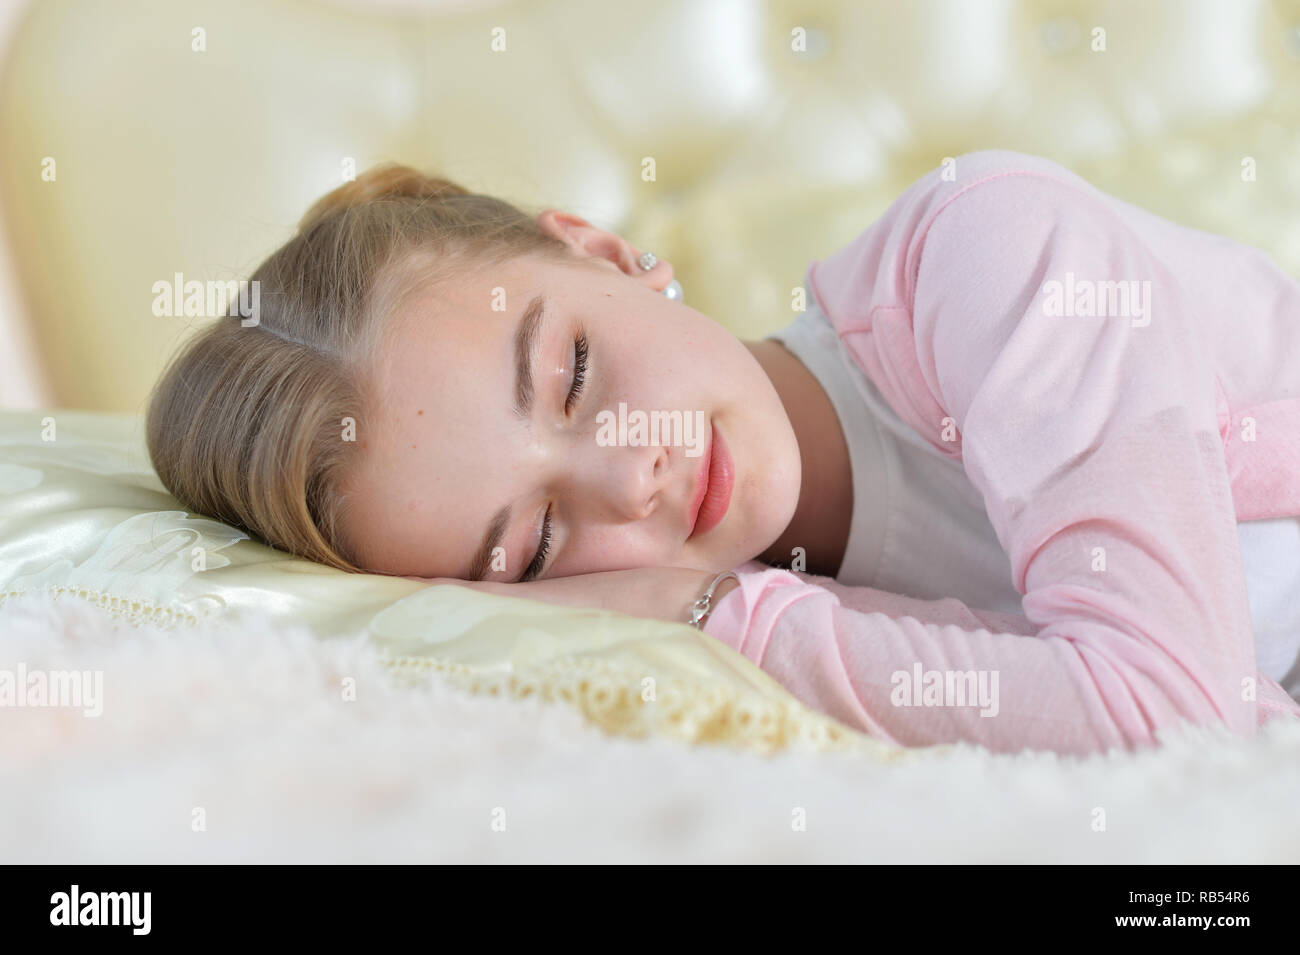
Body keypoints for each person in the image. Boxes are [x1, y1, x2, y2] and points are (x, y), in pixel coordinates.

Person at [146, 150, 1300, 755]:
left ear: (601, 249)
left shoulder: (989, 251)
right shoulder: (730, 640)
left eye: (576, 374)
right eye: (537, 539)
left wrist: (724, 616)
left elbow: (1170, 718)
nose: (627, 475)